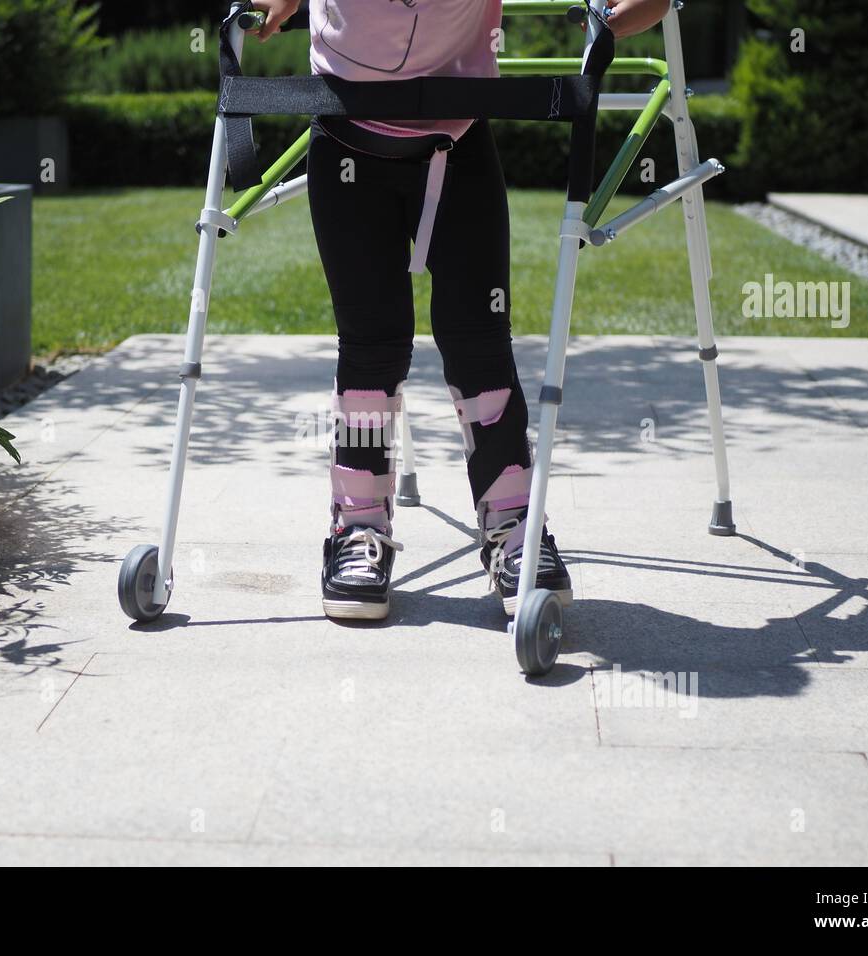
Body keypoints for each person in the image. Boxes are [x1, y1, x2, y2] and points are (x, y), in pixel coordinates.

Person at [247, 0, 670, 620]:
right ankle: (358, 526)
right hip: (345, 135)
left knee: (479, 341)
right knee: (369, 342)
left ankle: (513, 526)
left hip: (459, 135)